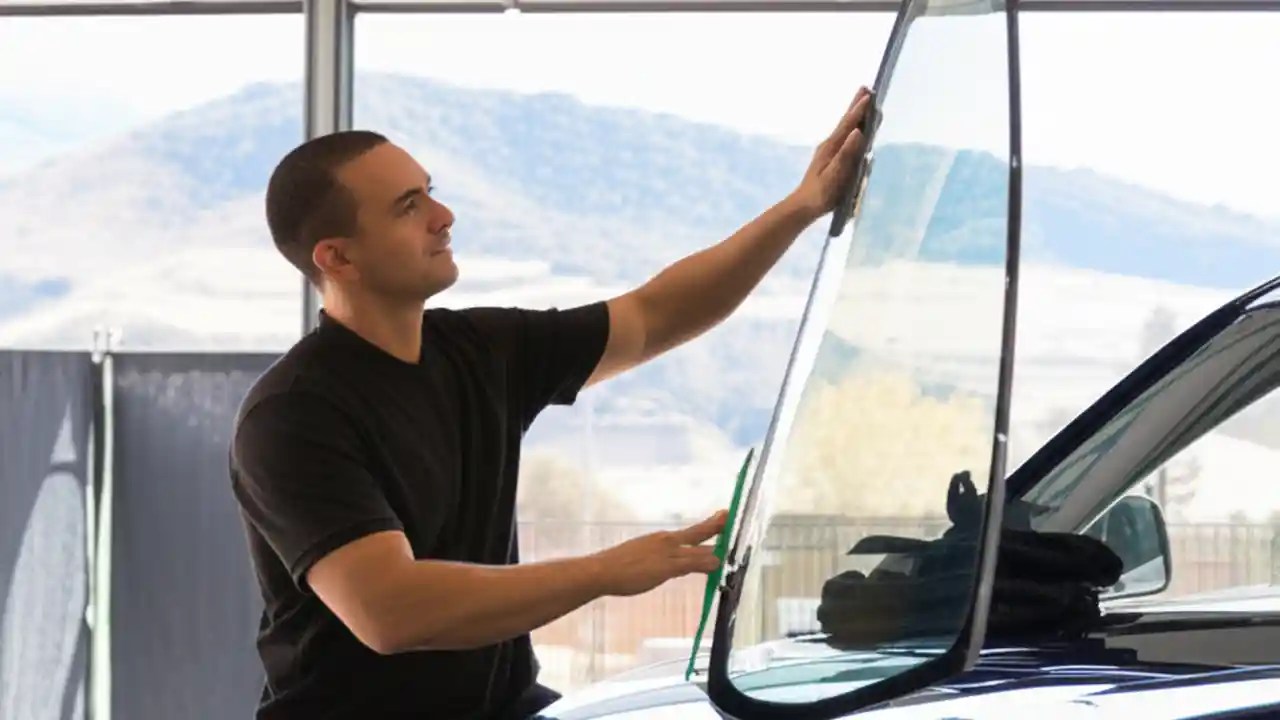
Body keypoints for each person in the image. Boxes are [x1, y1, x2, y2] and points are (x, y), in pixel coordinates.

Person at [228, 86, 874, 720]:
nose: (442, 215)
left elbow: (654, 315)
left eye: (431, 190)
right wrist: (605, 570)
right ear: (337, 258)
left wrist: (803, 205)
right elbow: (391, 611)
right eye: (407, 206)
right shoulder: (292, 416)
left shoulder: (479, 350)